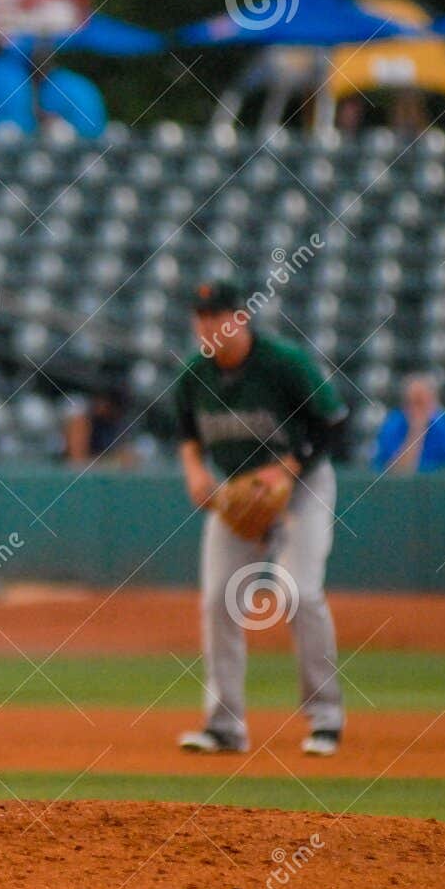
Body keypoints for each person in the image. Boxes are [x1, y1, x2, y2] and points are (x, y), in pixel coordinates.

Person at [173, 281, 350, 757]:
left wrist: (288, 468)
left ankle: (326, 719)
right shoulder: (194, 375)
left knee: (298, 592)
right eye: (201, 316)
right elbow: (187, 431)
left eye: (218, 315)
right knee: (217, 601)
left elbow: (335, 424)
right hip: (237, 496)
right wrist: (194, 470)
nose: (208, 325)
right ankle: (224, 727)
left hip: (304, 487)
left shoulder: (284, 363)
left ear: (241, 318)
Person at [372, 374, 445, 473]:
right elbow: (395, 473)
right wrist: (416, 431)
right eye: (412, 402)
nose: (417, 409)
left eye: (422, 402)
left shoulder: (443, 423)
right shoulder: (393, 424)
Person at [64, 386, 134, 467]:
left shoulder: (112, 424)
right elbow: (77, 461)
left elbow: (126, 457)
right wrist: (112, 461)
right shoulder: (81, 422)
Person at [35, 60, 107, 139]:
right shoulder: (73, 79)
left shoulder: (51, 84)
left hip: (79, 135)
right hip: (98, 132)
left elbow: (48, 115)